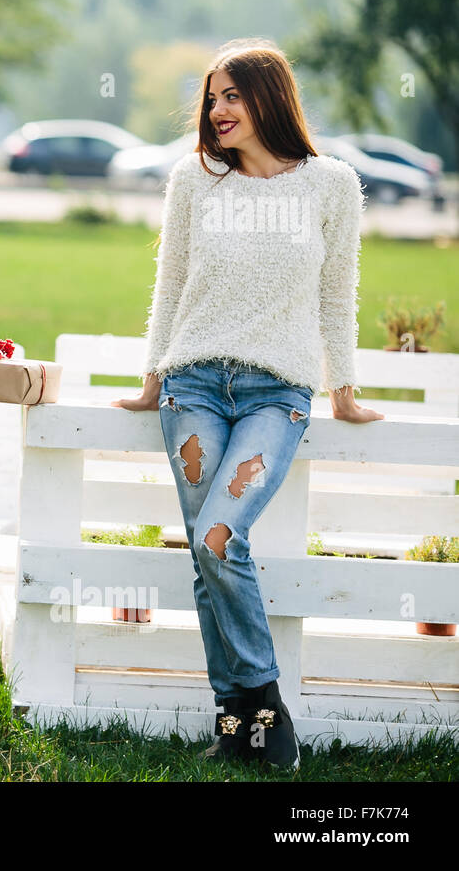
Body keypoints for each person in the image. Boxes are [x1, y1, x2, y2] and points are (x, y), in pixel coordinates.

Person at [113, 38, 384, 770]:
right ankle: (242, 722)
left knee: (217, 538)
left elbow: (338, 293)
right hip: (192, 385)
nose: (216, 110)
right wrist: (150, 379)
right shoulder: (194, 181)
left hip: (277, 392)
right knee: (209, 554)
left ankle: (260, 707)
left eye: (231, 95)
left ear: (269, 98)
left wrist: (346, 390)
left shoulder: (331, 185)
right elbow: (169, 286)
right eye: (211, 97)